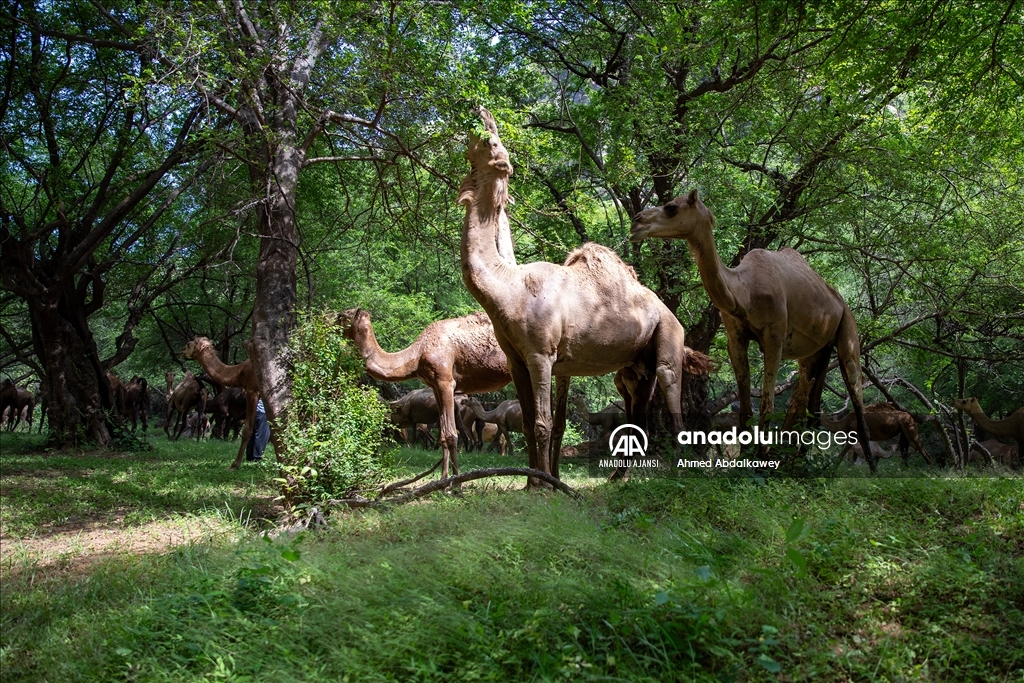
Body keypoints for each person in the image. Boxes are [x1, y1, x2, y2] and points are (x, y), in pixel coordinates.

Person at [246, 397, 271, 462]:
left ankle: (250, 456)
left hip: (255, 411)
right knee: (262, 435)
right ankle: (257, 458)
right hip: (263, 411)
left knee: (253, 433)